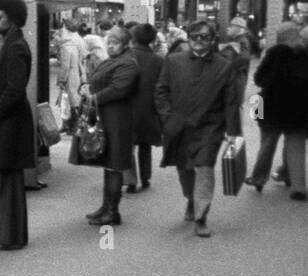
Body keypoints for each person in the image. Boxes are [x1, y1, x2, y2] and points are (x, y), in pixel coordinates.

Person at [155, 20, 243, 237]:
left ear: (213, 40)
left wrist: (233, 132)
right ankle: (191, 199)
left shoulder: (224, 66)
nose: (199, 41)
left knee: (204, 168)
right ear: (189, 38)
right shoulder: (174, 61)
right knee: (184, 168)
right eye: (195, 36)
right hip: (179, 126)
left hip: (210, 127)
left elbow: (231, 100)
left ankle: (202, 216)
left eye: (204, 37)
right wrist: (168, 117)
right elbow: (161, 91)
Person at [71, 25, 140, 226]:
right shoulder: (114, 60)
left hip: (118, 120)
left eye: (115, 43)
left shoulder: (128, 63)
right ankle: (106, 207)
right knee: (109, 165)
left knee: (114, 165)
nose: (110, 46)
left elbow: (118, 89)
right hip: (108, 117)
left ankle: (112, 211)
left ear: (125, 44)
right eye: (108, 42)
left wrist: (93, 96)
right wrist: (86, 87)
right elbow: (98, 80)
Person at [0, 0, 35, 251]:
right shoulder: (11, 43)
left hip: (9, 121)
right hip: (9, 119)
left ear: (12, 19)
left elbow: (15, 89)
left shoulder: (15, 47)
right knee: (7, 180)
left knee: (8, 181)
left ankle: (8, 237)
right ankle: (11, 235)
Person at [246, 22, 308, 199]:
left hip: (268, 105)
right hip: (298, 107)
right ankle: (293, 181)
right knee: (294, 143)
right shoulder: (304, 53)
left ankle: (258, 178)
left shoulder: (273, 52)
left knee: (267, 143)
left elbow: (258, 78)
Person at [125, 23, 163, 193]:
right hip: (149, 108)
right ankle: (146, 177)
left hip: (129, 106)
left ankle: (131, 180)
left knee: (128, 145)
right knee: (145, 145)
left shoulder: (127, 56)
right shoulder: (158, 60)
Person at [54, 19, 86, 131]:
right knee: (75, 101)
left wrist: (61, 80)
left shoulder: (66, 45)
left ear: (66, 28)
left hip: (69, 76)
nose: (62, 29)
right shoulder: (80, 40)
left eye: (63, 27)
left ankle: (70, 126)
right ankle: (72, 125)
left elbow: (65, 66)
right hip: (78, 73)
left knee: (67, 101)